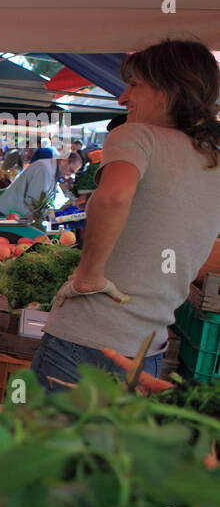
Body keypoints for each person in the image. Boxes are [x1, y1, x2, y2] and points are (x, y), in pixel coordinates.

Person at [31, 40, 220, 391]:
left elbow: (115, 195)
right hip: (146, 351)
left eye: (134, 85)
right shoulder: (212, 159)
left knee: (40, 442)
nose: (123, 98)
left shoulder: (136, 136)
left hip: (87, 337)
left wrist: (89, 275)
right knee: (106, 446)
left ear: (169, 91)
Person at [0, 147, 81, 219]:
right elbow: (34, 199)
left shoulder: (51, 170)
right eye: (70, 170)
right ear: (65, 160)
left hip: (17, 213)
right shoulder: (44, 168)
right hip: (10, 212)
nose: (69, 175)